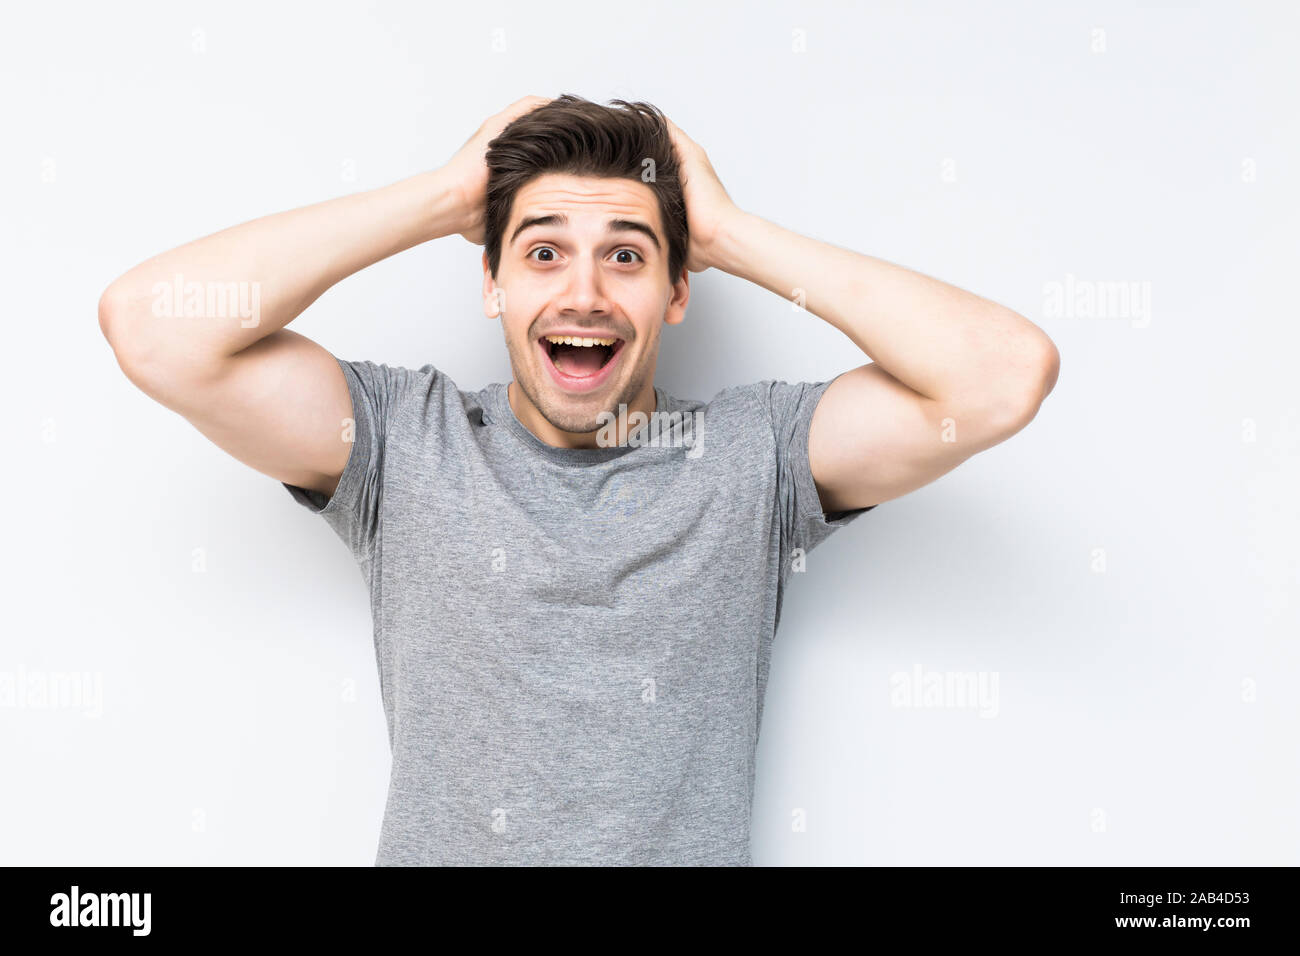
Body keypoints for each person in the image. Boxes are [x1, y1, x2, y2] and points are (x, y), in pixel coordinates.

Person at [98, 93, 1060, 865]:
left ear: (677, 290)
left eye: (629, 257)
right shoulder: (401, 439)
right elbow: (153, 327)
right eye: (544, 251)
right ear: (493, 285)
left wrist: (725, 230)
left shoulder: (754, 455)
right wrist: (441, 198)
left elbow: (1003, 377)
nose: (585, 294)